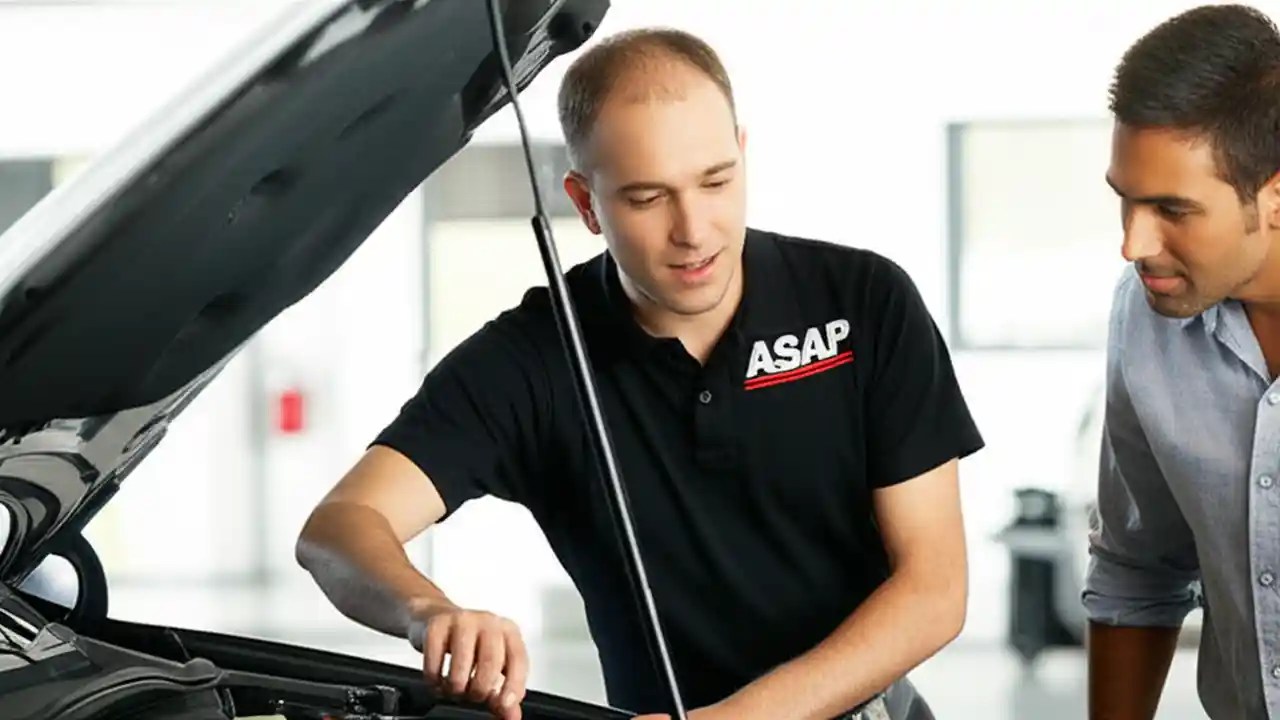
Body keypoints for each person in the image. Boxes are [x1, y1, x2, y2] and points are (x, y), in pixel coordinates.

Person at [296, 26, 983, 720]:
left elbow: (935, 588)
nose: (694, 229)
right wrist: (428, 611)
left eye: (716, 181)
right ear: (586, 202)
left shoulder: (863, 302)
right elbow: (338, 528)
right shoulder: (533, 359)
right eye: (648, 198)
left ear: (742, 154)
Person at [1084, 4, 1280, 720]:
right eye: (1126, 201)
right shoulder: (1145, 316)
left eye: (1172, 208)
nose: (1134, 244)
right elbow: (1138, 566)